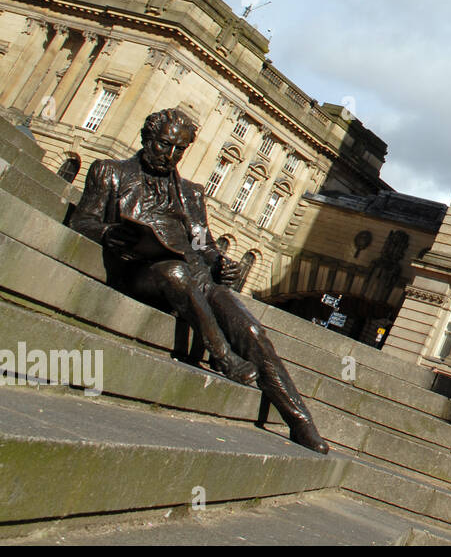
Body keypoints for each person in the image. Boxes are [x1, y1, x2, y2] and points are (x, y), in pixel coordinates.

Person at [70, 108, 328, 453]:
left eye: (179, 149)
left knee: (251, 330)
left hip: (195, 277)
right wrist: (109, 233)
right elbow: (81, 222)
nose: (169, 155)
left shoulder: (189, 193)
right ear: (147, 138)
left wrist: (221, 264)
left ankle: (299, 421)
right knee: (174, 273)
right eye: (164, 145)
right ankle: (221, 356)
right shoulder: (110, 172)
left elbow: (200, 243)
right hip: (141, 270)